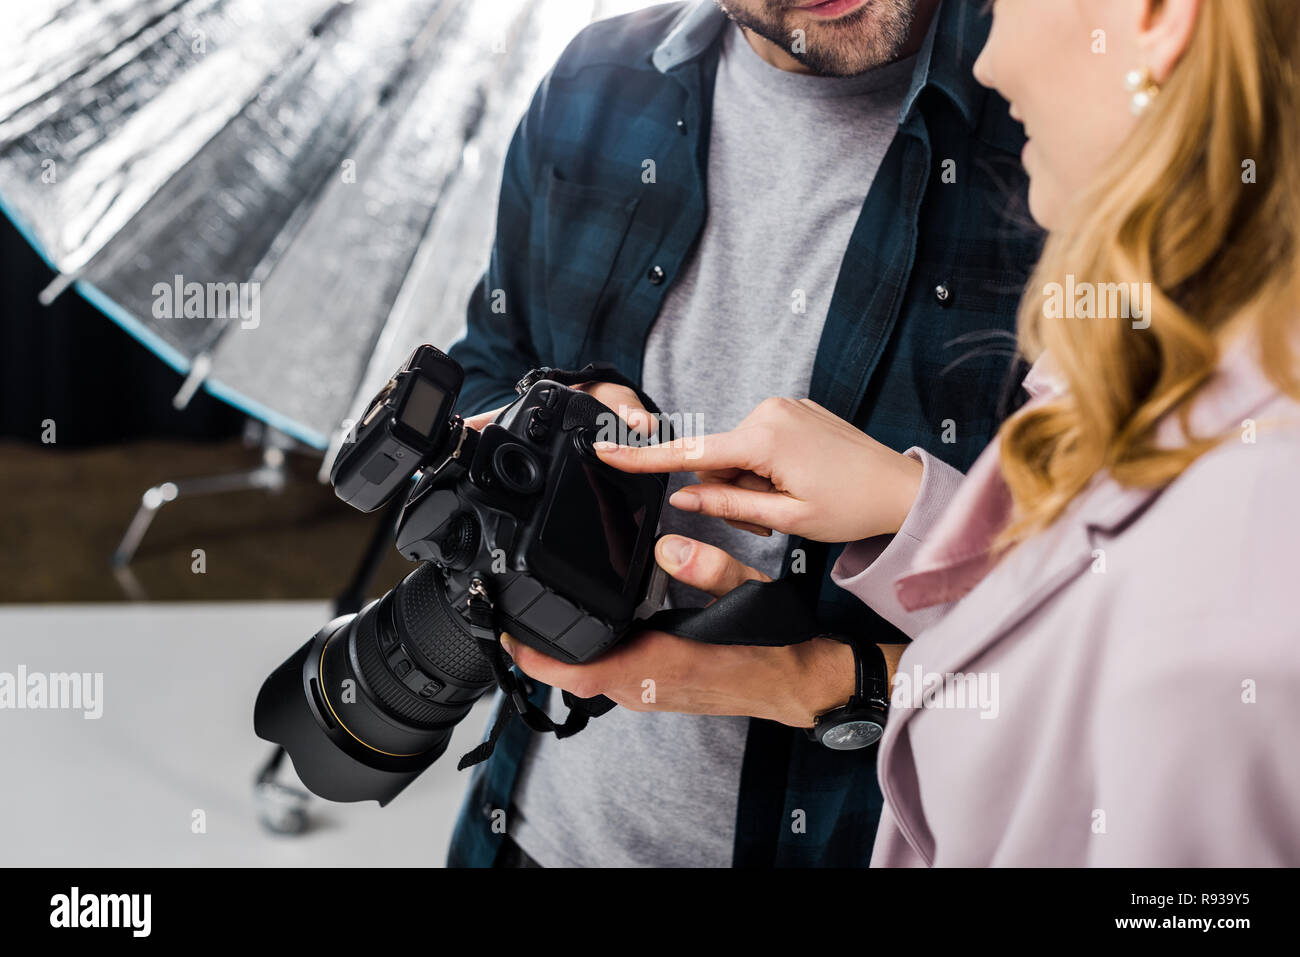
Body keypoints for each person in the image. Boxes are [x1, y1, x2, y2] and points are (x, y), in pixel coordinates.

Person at [572, 0, 1300, 864]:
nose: (987, 57)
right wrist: (904, 505)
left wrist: (822, 683)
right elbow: (1062, 639)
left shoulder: (1247, 577)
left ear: (1157, 16)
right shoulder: (592, 83)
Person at [447, 0, 1042, 867]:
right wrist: (545, 424)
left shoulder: (1061, 124)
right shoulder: (593, 82)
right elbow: (486, 365)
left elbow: (1118, 637)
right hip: (530, 826)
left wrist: (812, 679)